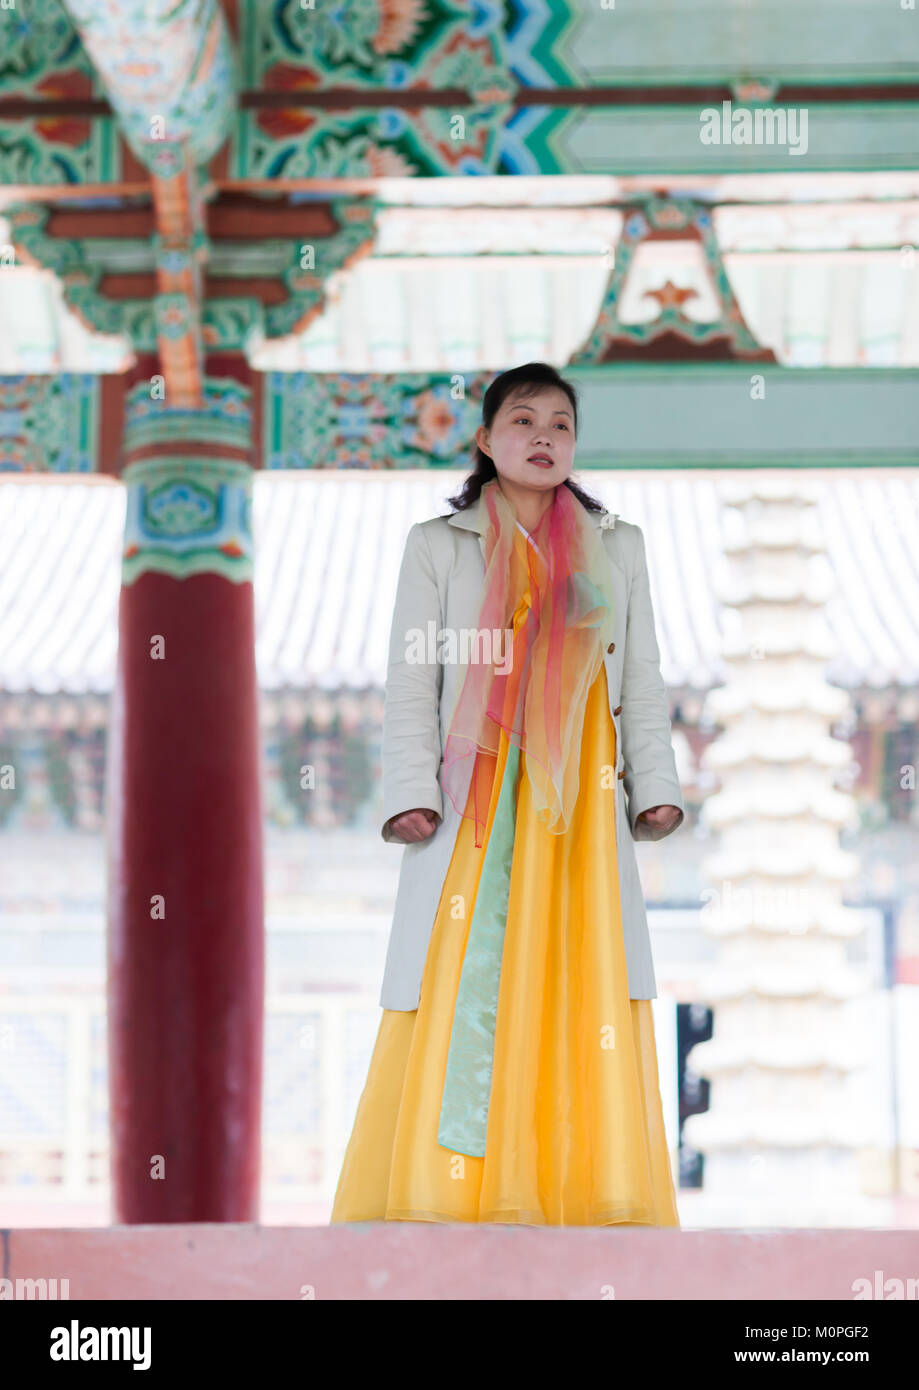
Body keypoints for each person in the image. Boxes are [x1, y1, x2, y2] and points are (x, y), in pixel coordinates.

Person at [330, 361, 685, 1226]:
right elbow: (412, 678)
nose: (542, 437)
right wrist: (410, 789)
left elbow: (640, 676)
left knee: (581, 976)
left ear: (574, 444)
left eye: (559, 424)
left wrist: (654, 785)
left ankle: (588, 1188)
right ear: (485, 441)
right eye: (521, 421)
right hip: (476, 801)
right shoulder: (437, 544)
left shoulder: (619, 546)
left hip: (582, 803)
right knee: (464, 976)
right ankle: (443, 1191)